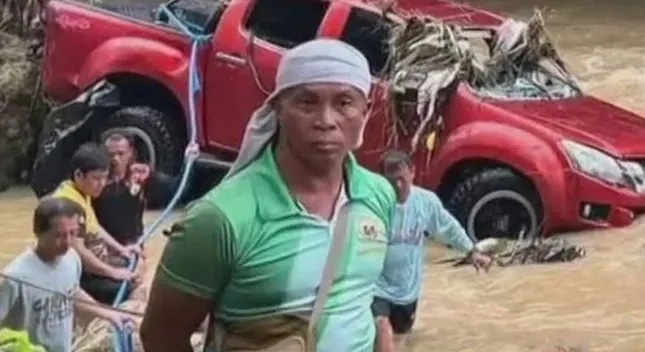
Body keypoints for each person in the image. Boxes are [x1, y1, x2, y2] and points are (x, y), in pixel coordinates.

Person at [139, 38, 396, 352]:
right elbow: (161, 338)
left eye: (344, 103)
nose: (326, 121)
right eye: (307, 103)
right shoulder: (219, 219)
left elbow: (360, 296)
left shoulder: (378, 196)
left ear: (366, 112)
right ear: (278, 110)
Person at [373, 150, 492, 351]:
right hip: (376, 287)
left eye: (402, 179)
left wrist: (471, 252)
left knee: (400, 341)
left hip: (407, 291)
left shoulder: (425, 202)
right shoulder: (373, 203)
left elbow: (447, 228)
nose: (398, 186)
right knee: (382, 329)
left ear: (412, 173)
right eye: (392, 181)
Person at [0, 196, 134, 352]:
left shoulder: (72, 258)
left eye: (73, 233)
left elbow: (72, 292)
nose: (68, 242)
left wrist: (109, 314)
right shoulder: (14, 277)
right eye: (59, 235)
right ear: (38, 232)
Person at [51, 143, 144, 304]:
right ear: (78, 174)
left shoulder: (82, 192)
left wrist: (121, 249)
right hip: (78, 275)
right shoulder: (68, 205)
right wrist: (113, 273)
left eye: (104, 178)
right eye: (96, 178)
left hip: (94, 264)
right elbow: (79, 251)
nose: (101, 184)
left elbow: (95, 227)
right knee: (130, 285)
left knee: (134, 261)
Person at [93, 130, 186, 248]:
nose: (115, 159)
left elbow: (175, 188)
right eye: (111, 154)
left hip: (133, 245)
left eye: (121, 154)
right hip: (104, 245)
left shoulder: (140, 176)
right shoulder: (95, 180)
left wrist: (187, 161)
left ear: (130, 153)